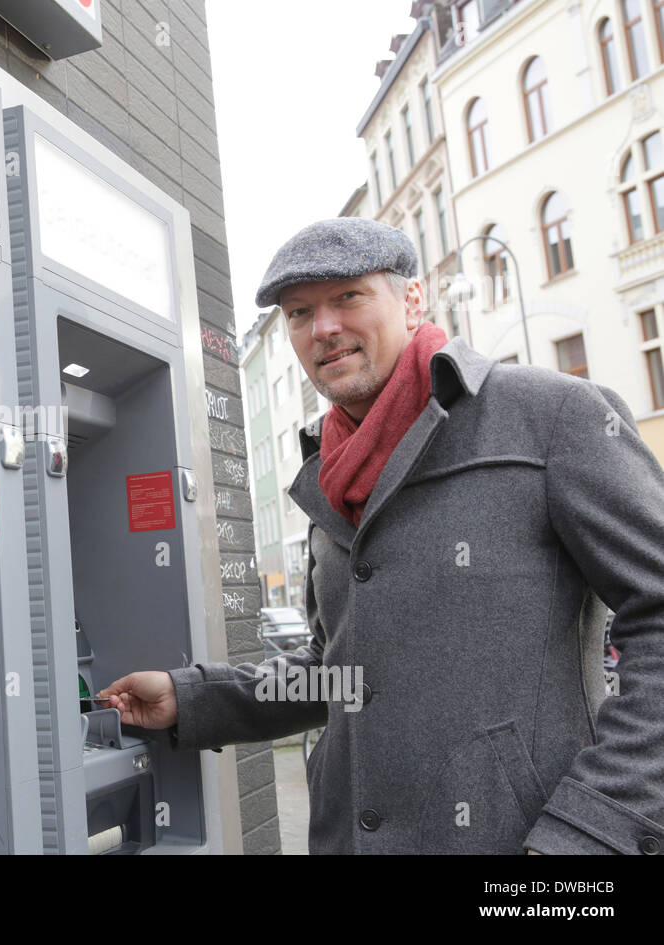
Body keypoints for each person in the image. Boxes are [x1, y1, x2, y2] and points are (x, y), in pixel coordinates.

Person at [101, 218, 664, 854]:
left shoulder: (552, 416)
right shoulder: (326, 475)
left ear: (413, 299)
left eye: (349, 297)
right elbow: (334, 671)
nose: (324, 329)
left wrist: (596, 832)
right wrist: (192, 699)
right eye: (299, 312)